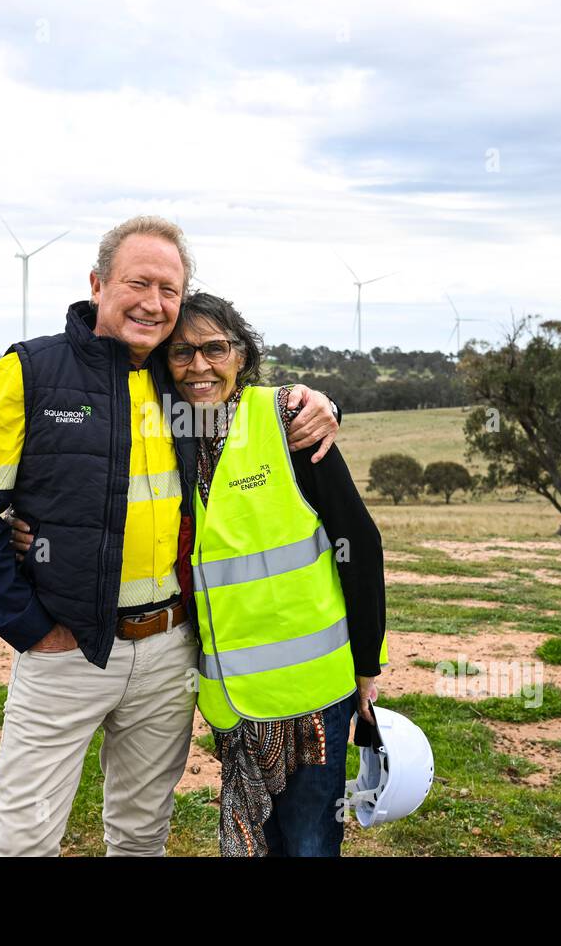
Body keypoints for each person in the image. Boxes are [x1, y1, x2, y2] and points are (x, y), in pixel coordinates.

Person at [0, 215, 340, 856]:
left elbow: (252, 399)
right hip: (63, 651)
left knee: (141, 834)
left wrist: (320, 402)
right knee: (24, 837)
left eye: (170, 290)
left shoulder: (179, 377)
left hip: (170, 651)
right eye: (138, 283)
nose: (155, 304)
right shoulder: (28, 374)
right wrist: (33, 629)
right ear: (98, 285)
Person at [165, 291, 386, 857]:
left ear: (242, 354)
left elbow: (358, 543)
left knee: (309, 842)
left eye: (214, 348)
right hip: (232, 702)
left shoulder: (286, 421)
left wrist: (367, 664)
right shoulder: (172, 437)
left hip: (313, 694)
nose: (198, 365)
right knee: (253, 838)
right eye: (181, 351)